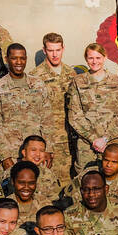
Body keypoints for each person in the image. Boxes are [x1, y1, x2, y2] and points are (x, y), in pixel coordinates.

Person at [0, 43, 49, 172]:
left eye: (22, 58)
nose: (18, 62)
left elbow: (47, 120)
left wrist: (48, 150)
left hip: (35, 156)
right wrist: (4, 156)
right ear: (6, 59)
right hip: (11, 156)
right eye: (14, 58)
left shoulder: (38, 84)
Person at [67, 43, 118, 176]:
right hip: (86, 144)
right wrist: (93, 139)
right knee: (85, 180)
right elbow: (75, 116)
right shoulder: (78, 81)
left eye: (98, 58)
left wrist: (105, 139)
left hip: (111, 142)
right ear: (86, 59)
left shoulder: (116, 82)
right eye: (91, 58)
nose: (95, 62)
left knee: (112, 179)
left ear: (104, 57)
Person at [31, 32, 80, 182]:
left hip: (72, 138)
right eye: (51, 50)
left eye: (57, 50)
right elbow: (34, 114)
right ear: (44, 50)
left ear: (63, 49)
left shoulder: (71, 73)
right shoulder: (35, 77)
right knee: (55, 183)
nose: (54, 54)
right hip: (52, 141)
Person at [15, 135, 67, 205]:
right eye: (33, 150)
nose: (38, 154)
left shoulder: (48, 174)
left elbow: (55, 199)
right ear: (24, 152)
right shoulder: (12, 173)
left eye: (42, 151)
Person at [70, 143, 118, 207]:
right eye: (106, 160)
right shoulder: (89, 174)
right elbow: (70, 195)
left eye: (114, 162)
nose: (108, 165)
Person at [6, 161, 48, 235]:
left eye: (31, 183)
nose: (26, 187)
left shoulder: (45, 204)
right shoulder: (5, 207)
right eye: (21, 183)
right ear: (12, 182)